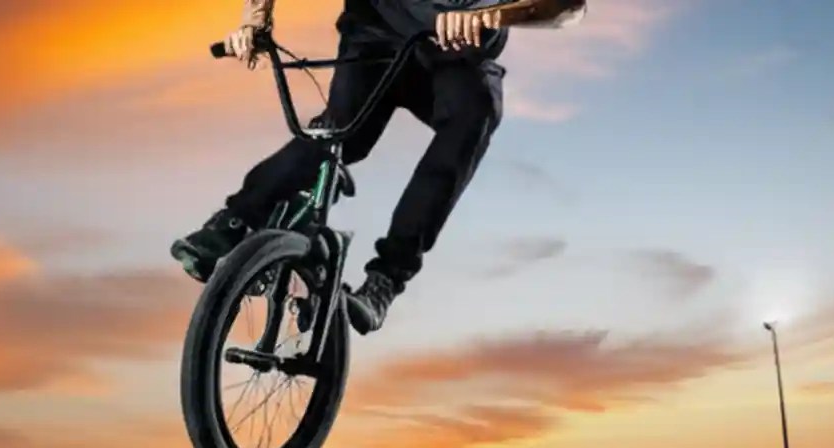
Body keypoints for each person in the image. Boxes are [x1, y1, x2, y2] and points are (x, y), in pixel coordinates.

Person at [171, 0, 587, 334]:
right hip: (376, 36)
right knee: (339, 136)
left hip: (461, 54)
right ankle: (235, 221)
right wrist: (254, 23)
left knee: (474, 116)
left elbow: (569, 7)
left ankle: (386, 278)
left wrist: (492, 14)